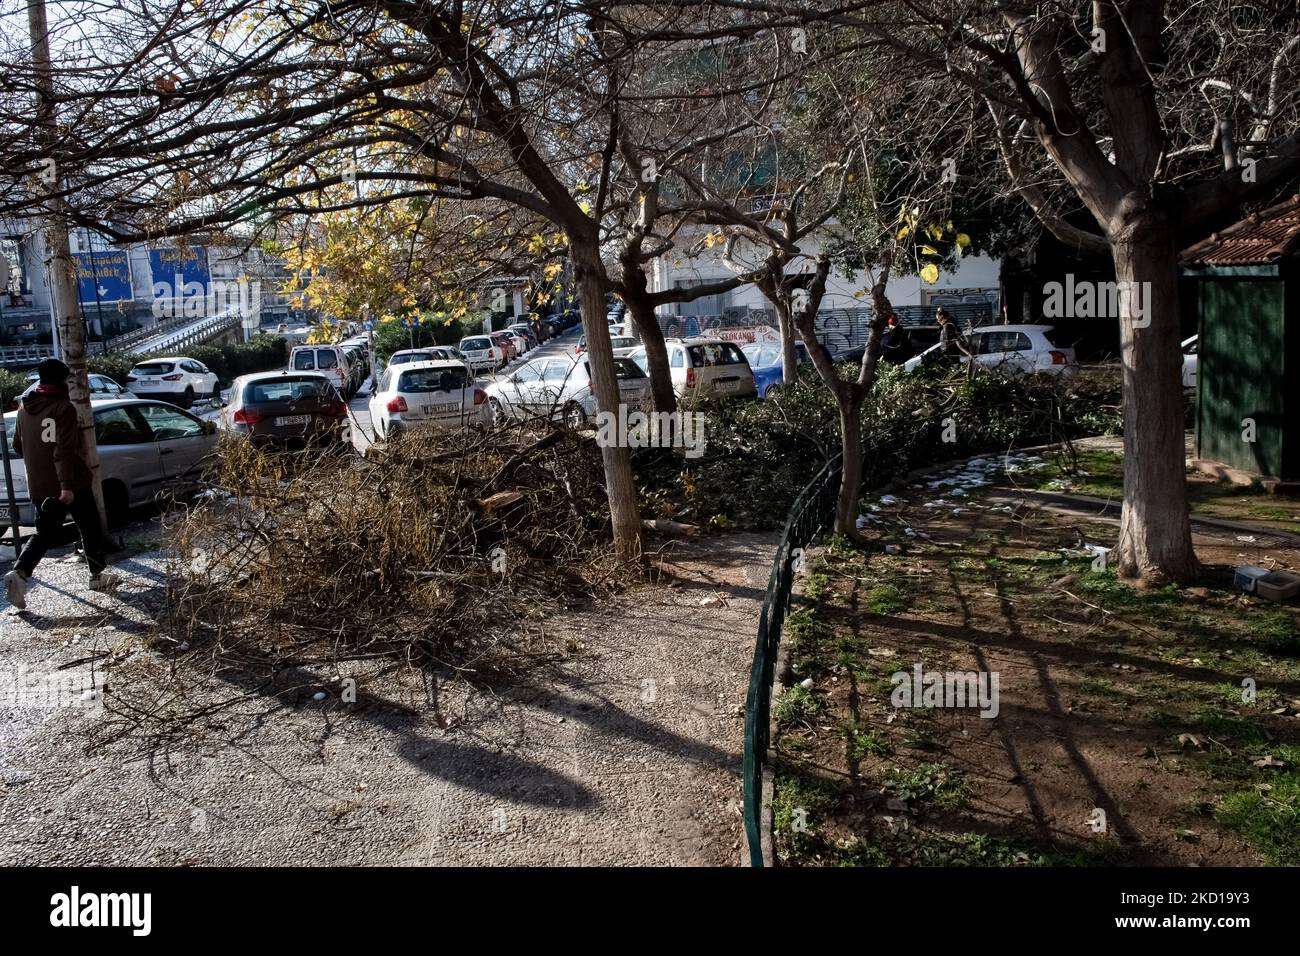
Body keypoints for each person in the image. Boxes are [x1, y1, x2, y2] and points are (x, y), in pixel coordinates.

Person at [5, 359, 119, 611]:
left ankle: (20, 572)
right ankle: (97, 575)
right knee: (88, 524)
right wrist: (65, 486)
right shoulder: (63, 408)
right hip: (70, 482)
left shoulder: (25, 408)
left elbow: (18, 446)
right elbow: (63, 450)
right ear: (61, 381)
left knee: (44, 532)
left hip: (39, 482)